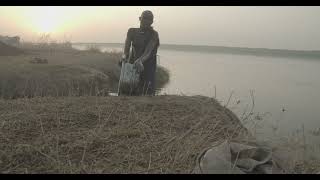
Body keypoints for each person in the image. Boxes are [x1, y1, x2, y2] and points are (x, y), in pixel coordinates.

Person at [119, 10, 160, 96]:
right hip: (133, 66)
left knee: (147, 94)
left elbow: (148, 51)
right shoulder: (132, 31)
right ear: (140, 18)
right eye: (144, 18)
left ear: (152, 21)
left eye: (149, 19)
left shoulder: (154, 34)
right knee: (128, 92)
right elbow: (126, 48)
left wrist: (140, 60)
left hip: (148, 67)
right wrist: (124, 57)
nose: (146, 21)